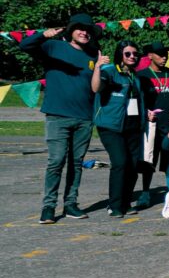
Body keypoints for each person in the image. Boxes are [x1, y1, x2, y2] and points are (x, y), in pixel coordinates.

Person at [20, 13, 99, 223]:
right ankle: (48, 207)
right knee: (56, 161)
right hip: (58, 116)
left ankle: (71, 204)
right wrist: (42, 35)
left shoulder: (93, 56)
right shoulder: (54, 47)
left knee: (77, 163)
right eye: (80, 29)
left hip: (84, 117)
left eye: (88, 30)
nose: (84, 33)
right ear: (71, 31)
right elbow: (25, 46)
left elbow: (96, 87)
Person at [91, 41, 147, 218]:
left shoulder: (135, 76)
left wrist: (147, 116)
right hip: (111, 126)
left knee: (132, 166)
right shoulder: (110, 72)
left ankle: (125, 201)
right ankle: (114, 204)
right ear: (120, 55)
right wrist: (98, 67)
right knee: (120, 162)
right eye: (128, 53)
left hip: (133, 127)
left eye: (135, 54)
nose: (132, 57)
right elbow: (96, 88)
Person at [137, 42, 169, 211]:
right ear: (150, 56)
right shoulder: (142, 75)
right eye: (160, 54)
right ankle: (145, 192)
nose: (164, 57)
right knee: (149, 159)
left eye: (166, 55)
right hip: (152, 124)